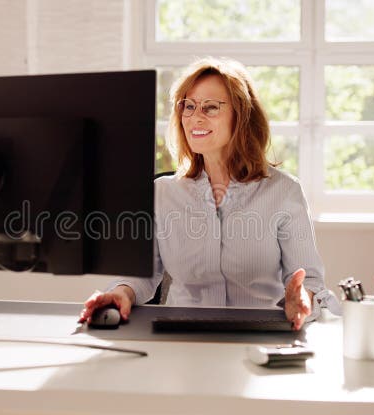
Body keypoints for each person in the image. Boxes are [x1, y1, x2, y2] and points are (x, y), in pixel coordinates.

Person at [79, 57, 337, 330]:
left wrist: (302, 298)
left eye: (210, 107)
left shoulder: (284, 191)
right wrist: (121, 293)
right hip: (182, 336)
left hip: (260, 336)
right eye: (188, 106)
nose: (195, 117)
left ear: (242, 115)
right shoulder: (162, 193)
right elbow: (141, 275)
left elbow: (309, 280)